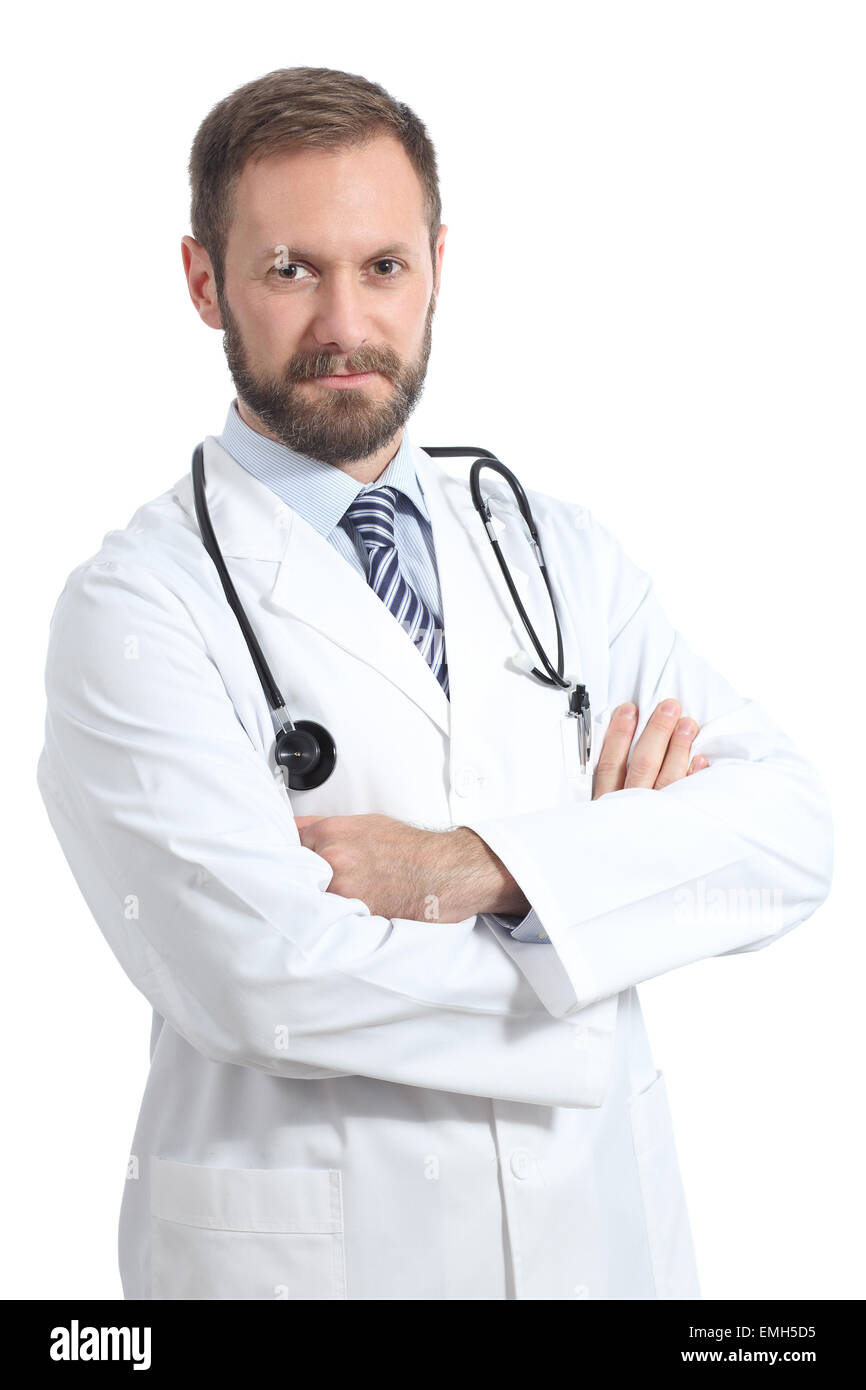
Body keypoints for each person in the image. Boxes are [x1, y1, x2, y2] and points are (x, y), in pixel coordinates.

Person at [36, 66, 834, 1301]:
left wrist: (481, 868)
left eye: (383, 267)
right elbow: (266, 980)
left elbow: (786, 835)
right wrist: (606, 915)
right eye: (290, 269)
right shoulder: (137, 608)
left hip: (602, 1249)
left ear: (439, 265)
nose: (343, 322)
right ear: (205, 282)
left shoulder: (557, 552)